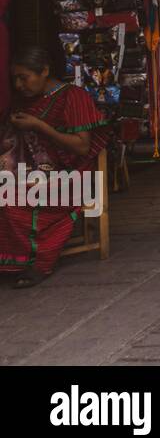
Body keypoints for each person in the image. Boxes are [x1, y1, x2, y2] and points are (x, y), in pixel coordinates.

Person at [0, 46, 109, 287]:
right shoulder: (24, 102)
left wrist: (39, 126)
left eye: (23, 77)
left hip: (68, 177)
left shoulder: (73, 97)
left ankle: (37, 262)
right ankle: (12, 260)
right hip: (28, 170)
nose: (18, 85)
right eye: (14, 79)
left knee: (9, 199)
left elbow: (81, 147)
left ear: (45, 71)